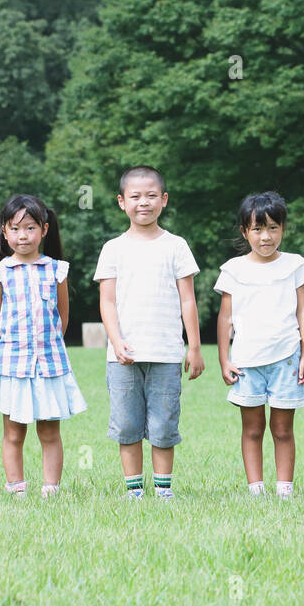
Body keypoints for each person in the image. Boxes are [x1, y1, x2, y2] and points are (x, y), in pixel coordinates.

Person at [93, 165, 205, 500]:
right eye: (135, 196)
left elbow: (188, 300)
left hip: (166, 352)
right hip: (123, 355)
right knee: (126, 425)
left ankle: (163, 489)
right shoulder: (113, 248)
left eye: (152, 195)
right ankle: (133, 491)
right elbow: (107, 302)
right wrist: (116, 340)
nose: (144, 202)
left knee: (163, 425)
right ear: (121, 202)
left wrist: (194, 346)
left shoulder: (176, 246)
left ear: (164, 200)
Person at [0, 194, 87, 497]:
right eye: (15, 228)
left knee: (49, 431)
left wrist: (47, 342)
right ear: (4, 231)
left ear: (44, 230)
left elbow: (62, 317)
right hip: (14, 363)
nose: (23, 236)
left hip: (50, 363)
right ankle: (16, 489)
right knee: (13, 432)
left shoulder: (56, 270)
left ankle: (51, 489)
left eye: (30, 228)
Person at [214, 192, 304, 498]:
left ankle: (284, 489)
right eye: (257, 229)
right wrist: (224, 359)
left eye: (273, 228)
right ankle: (256, 489)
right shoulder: (233, 269)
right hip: (246, 361)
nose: (266, 236)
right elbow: (225, 318)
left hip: (286, 357)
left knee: (283, 430)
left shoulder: (295, 265)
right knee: (253, 429)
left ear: (283, 228)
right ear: (245, 232)